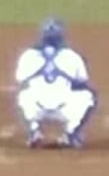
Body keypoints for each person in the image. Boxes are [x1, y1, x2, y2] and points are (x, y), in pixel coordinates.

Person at [14, 18, 97, 149]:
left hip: (35, 108)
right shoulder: (72, 56)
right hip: (65, 109)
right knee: (90, 96)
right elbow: (82, 82)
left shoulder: (27, 56)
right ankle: (70, 134)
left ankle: (33, 131)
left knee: (21, 94)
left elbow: (20, 80)